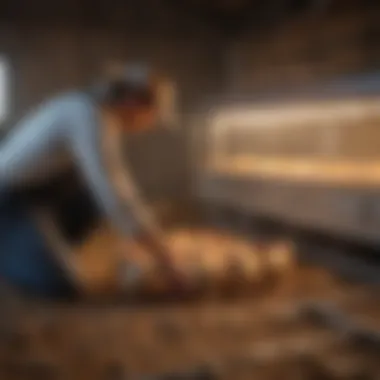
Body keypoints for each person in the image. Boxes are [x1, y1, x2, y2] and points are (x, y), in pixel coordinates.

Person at [0, 64, 181, 297]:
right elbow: (116, 194)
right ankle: (15, 249)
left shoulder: (89, 111)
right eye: (151, 117)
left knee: (89, 193)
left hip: (35, 194)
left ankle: (44, 244)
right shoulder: (88, 117)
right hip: (8, 200)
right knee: (61, 288)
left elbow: (108, 190)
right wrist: (165, 259)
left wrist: (135, 241)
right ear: (133, 102)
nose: (148, 126)